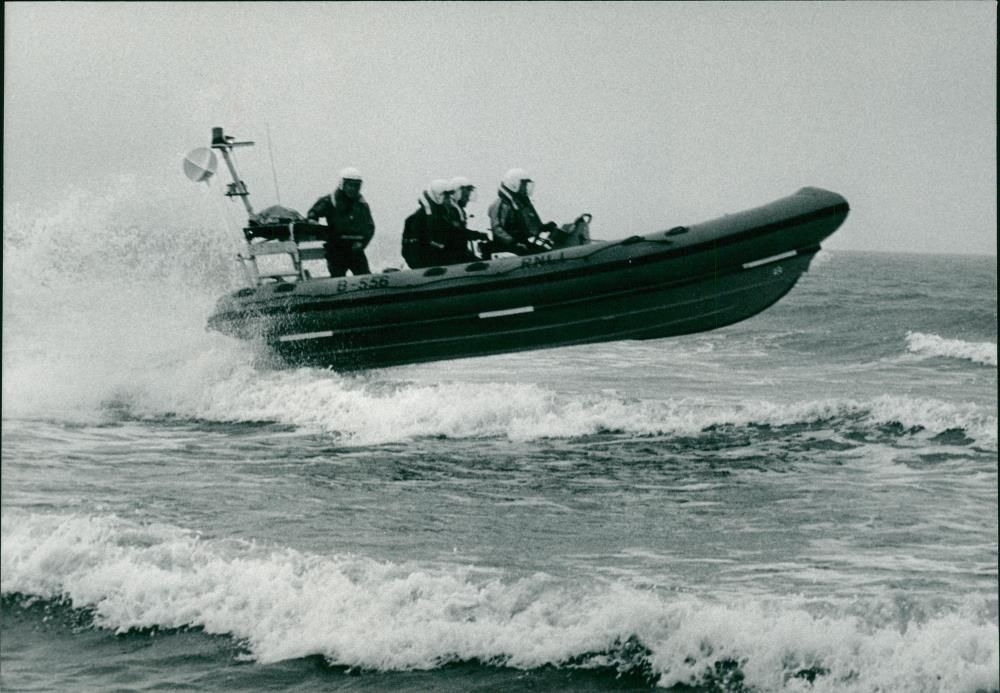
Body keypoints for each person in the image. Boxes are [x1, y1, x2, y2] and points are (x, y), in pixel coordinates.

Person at [306, 167, 375, 277]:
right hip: (337, 249)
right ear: (342, 184)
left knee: (364, 277)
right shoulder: (330, 201)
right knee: (337, 278)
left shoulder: (361, 204)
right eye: (350, 185)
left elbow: (369, 227)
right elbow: (313, 213)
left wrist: (362, 244)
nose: (353, 188)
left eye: (356, 185)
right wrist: (314, 223)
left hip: (355, 249)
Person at [487, 168, 559, 255]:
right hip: (507, 249)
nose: (526, 188)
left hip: (522, 244)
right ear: (514, 184)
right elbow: (498, 229)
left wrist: (542, 227)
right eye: (524, 185)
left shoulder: (520, 204)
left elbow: (528, 227)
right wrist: (514, 243)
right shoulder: (501, 204)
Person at [401, 179, 455, 269]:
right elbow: (412, 250)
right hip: (429, 269)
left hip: (444, 267)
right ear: (438, 197)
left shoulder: (443, 217)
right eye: (446, 197)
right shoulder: (418, 218)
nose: (449, 200)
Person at [444, 176, 490, 263]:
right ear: (458, 193)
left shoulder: (456, 208)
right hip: (453, 253)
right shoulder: (451, 210)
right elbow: (457, 232)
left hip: (458, 250)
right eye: (465, 196)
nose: (468, 199)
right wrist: (477, 235)